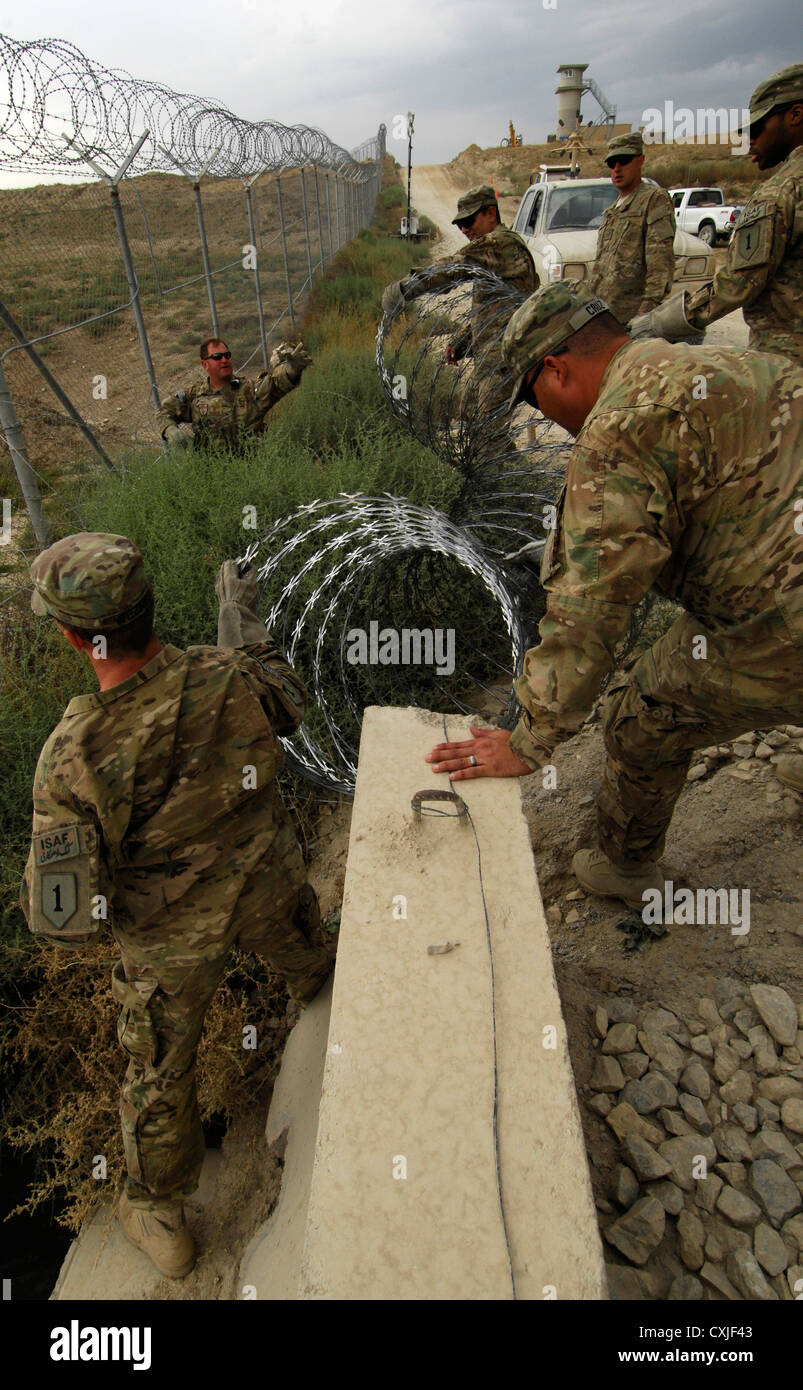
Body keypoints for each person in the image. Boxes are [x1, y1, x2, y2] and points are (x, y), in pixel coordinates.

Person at [425, 282, 803, 908]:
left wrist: (529, 739)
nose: (544, 415)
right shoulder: (719, 363)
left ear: (556, 368)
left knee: (641, 711)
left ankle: (625, 869)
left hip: (786, 620)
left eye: (534, 398)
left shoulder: (618, 428)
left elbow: (590, 611)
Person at [21, 533, 333, 1278]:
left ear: (74, 637)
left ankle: (160, 1215)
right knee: (302, 945)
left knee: (160, 1067)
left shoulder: (74, 755)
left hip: (169, 947)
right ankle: (314, 976)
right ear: (148, 607)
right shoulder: (227, 673)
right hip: (265, 886)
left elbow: (62, 921)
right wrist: (241, 617)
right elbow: (285, 700)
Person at [631, 64, 803, 367]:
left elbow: (735, 285)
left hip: (789, 370)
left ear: (795, 115)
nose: (748, 141)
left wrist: (654, 324)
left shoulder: (781, 193)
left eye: (757, 128)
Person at [383, 186, 537, 458]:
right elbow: (494, 308)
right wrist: (464, 340)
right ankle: (507, 478)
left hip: (505, 356)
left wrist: (407, 288)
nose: (464, 229)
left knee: (485, 432)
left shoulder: (501, 244)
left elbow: (455, 267)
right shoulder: (496, 250)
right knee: (475, 419)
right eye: (460, 225)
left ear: (491, 213)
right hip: (492, 355)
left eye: (469, 221)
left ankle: (513, 484)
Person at [156, 336, 312, 452]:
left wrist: (292, 370)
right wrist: (171, 430)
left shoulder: (249, 390)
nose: (224, 360)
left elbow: (275, 384)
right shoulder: (194, 396)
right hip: (211, 474)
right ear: (205, 364)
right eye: (217, 357)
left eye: (227, 355)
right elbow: (164, 411)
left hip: (251, 472)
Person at [586, 130, 676, 323]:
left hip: (632, 322)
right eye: (612, 163)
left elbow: (660, 267)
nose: (617, 168)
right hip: (605, 319)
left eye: (624, 160)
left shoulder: (654, 200)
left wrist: (644, 316)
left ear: (640, 160)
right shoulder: (611, 211)